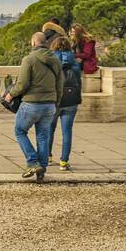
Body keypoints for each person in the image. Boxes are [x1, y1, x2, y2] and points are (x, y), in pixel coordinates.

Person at [3, 31, 64, 181]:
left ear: (33, 43)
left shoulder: (29, 59)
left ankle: (32, 162)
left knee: (19, 130)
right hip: (49, 104)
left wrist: (10, 95)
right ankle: (41, 169)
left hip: (32, 103)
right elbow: (60, 84)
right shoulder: (55, 59)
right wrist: (56, 102)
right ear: (46, 43)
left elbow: (22, 84)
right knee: (43, 136)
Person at [48, 35, 83, 170]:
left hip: (54, 99)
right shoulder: (74, 62)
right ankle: (63, 161)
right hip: (71, 100)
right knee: (67, 132)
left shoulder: (51, 61)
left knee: (49, 130)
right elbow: (78, 82)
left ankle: (47, 157)